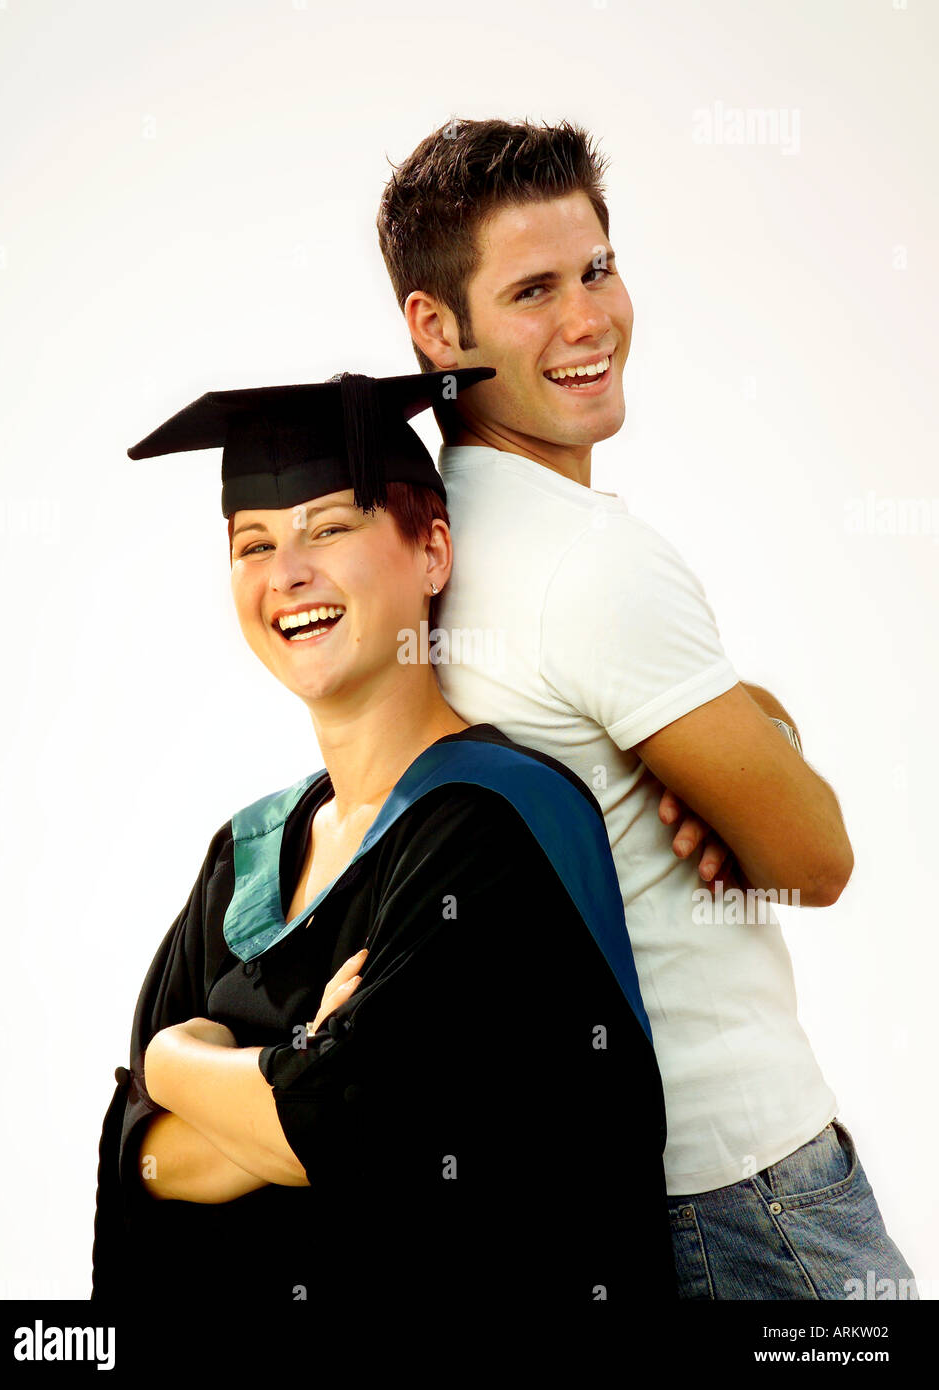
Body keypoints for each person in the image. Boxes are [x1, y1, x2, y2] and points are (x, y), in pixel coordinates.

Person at [376, 118, 917, 1300]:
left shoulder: (424, 540)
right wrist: (761, 755)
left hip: (596, 1183)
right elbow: (816, 859)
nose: (587, 321)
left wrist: (743, 723)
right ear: (434, 327)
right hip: (747, 1181)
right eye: (531, 290)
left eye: (597, 270)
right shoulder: (591, 566)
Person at [90, 367, 677, 1310]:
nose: (288, 573)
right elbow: (138, 1163)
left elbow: (356, 1132)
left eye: (330, 527)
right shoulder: (243, 852)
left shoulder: (501, 824)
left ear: (433, 552)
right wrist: (289, 1072)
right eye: (254, 543)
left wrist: (175, 1062)